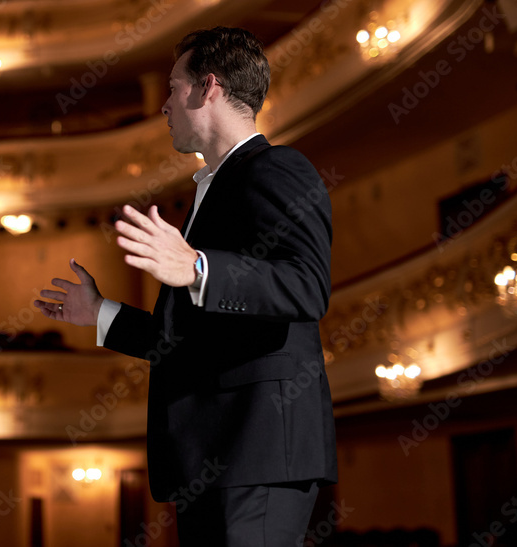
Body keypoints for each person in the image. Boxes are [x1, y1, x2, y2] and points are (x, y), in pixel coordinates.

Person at [35, 27, 338, 545]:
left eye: (174, 86)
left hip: (256, 448)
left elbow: (307, 287)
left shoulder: (276, 168)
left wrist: (199, 268)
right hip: (211, 457)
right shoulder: (208, 192)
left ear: (208, 87)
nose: (164, 104)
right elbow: (188, 342)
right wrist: (101, 313)